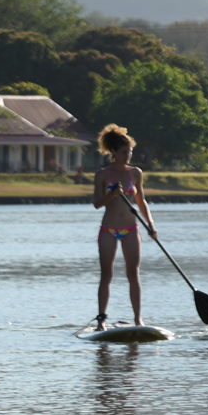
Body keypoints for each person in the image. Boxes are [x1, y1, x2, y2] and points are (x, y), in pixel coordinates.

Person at [90, 124, 158, 328]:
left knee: (133, 274)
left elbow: (141, 201)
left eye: (130, 151)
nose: (128, 154)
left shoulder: (135, 173)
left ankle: (138, 319)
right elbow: (97, 203)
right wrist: (112, 194)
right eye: (124, 151)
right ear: (114, 153)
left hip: (130, 229)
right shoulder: (103, 174)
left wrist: (151, 225)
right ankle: (101, 319)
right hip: (108, 230)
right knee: (107, 274)